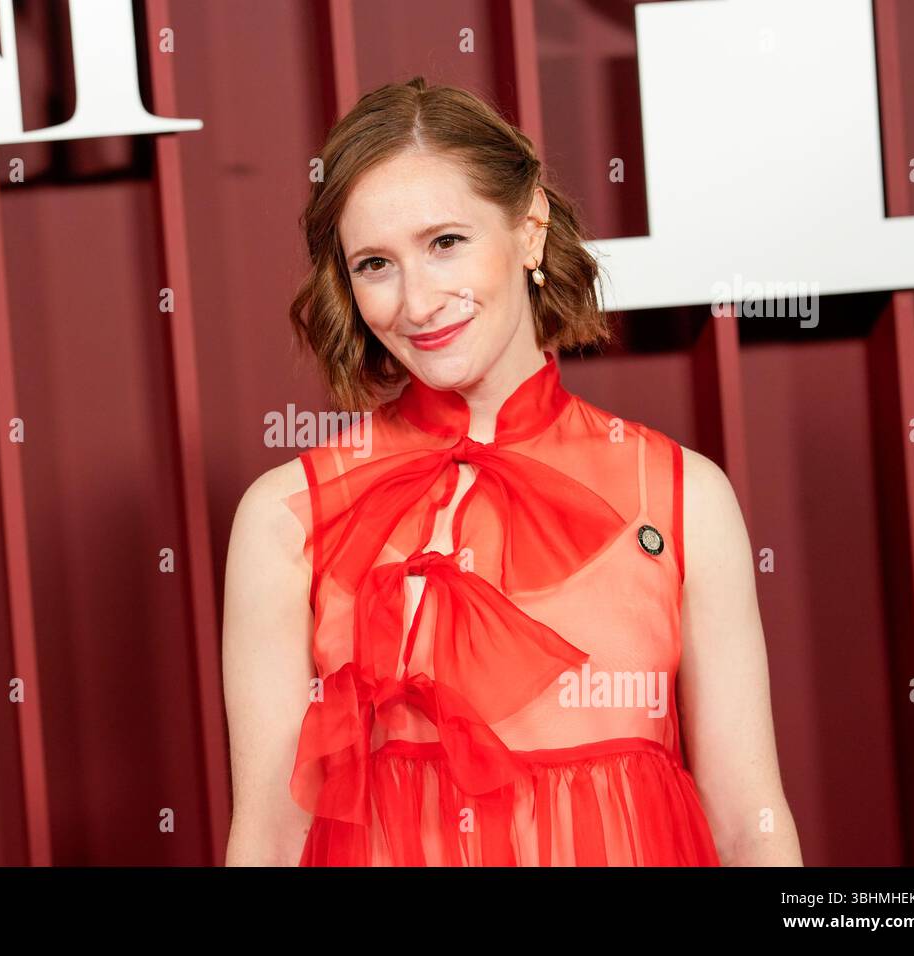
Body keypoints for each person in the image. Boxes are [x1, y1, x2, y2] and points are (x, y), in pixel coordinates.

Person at [222, 77, 801, 866]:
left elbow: (747, 821)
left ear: (529, 228)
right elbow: (270, 834)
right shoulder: (284, 516)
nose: (418, 301)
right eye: (374, 264)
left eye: (446, 243)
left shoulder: (683, 495)